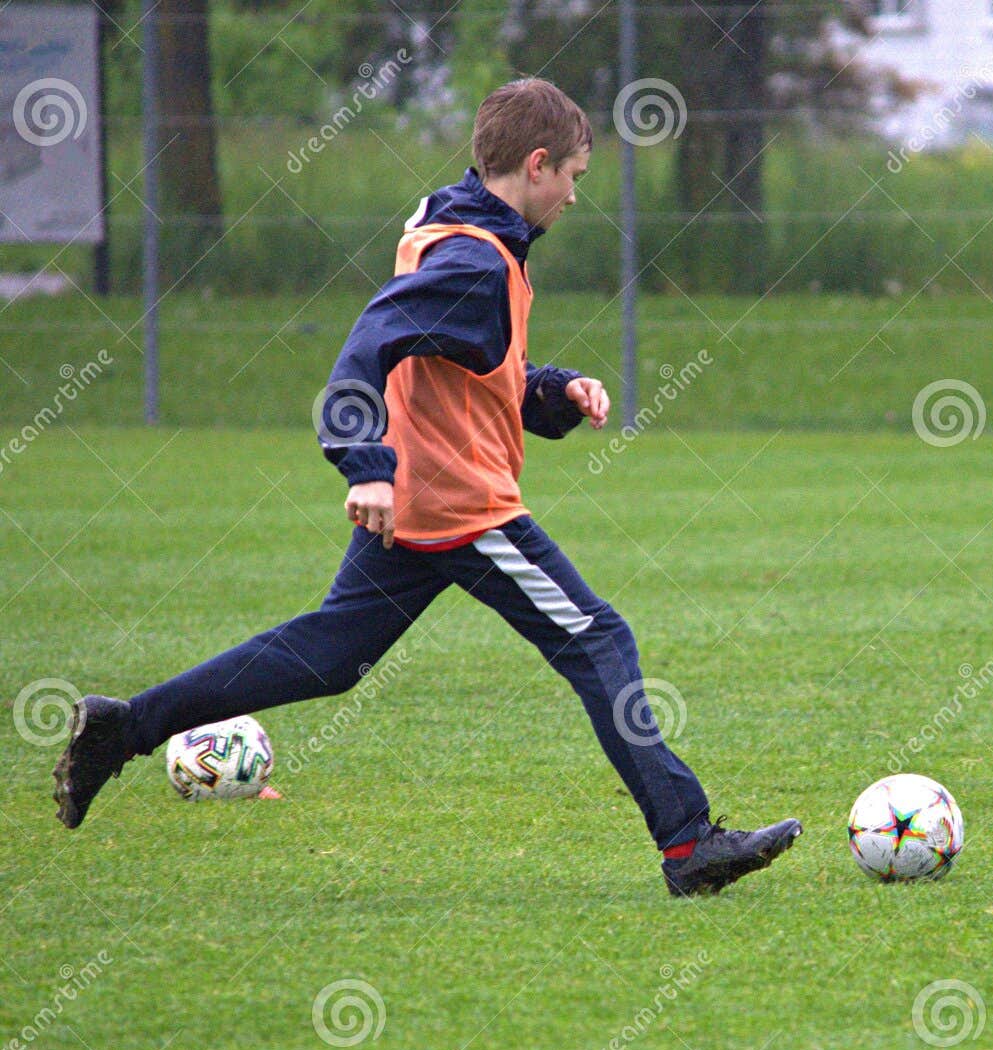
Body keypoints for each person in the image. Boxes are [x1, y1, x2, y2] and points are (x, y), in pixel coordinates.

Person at [50, 78, 801, 897]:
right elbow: (364, 350)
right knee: (598, 639)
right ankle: (690, 846)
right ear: (538, 164)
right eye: (575, 176)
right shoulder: (477, 259)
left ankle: (124, 728)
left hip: (423, 498)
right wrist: (364, 464)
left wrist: (552, 390)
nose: (577, 196)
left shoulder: (463, 227)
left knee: (333, 654)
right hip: (459, 506)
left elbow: (461, 364)